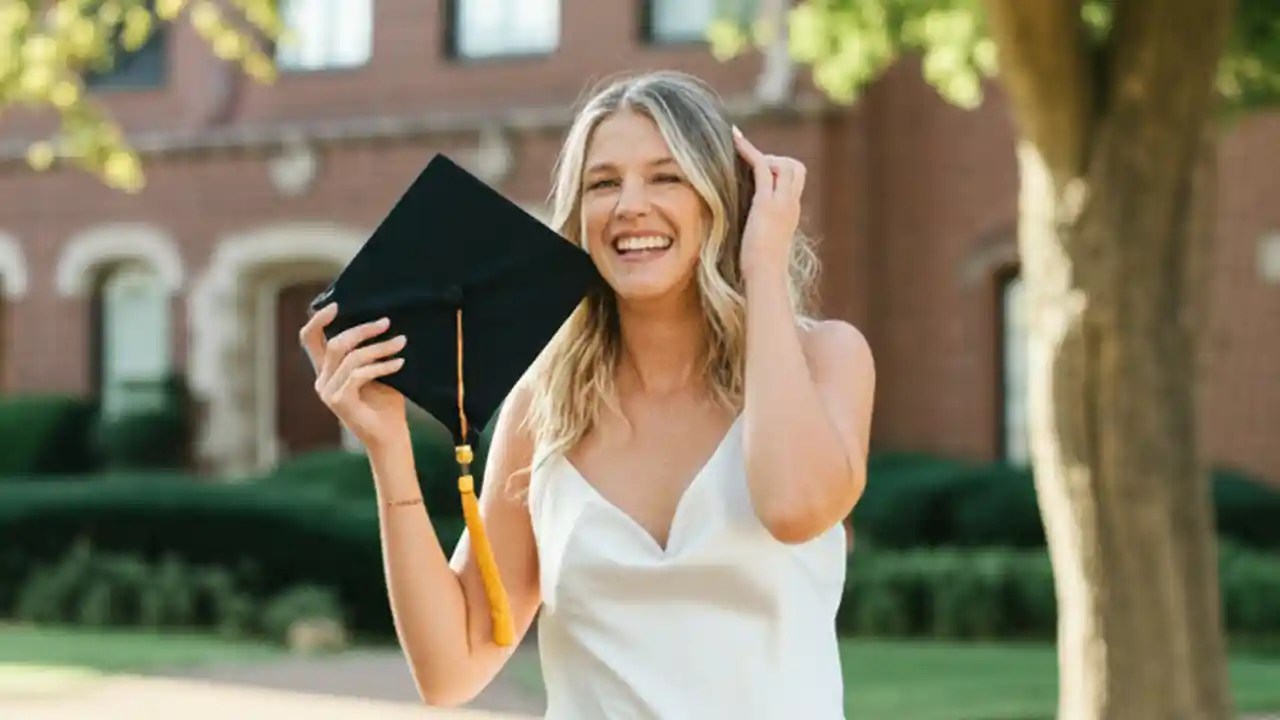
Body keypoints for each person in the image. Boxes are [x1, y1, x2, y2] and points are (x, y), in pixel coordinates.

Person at [299, 70, 876, 719]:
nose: (630, 204)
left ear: (723, 200)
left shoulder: (825, 358)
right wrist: (389, 446)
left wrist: (763, 266)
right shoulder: (545, 406)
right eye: (604, 183)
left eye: (667, 176)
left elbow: (794, 506)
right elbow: (451, 668)